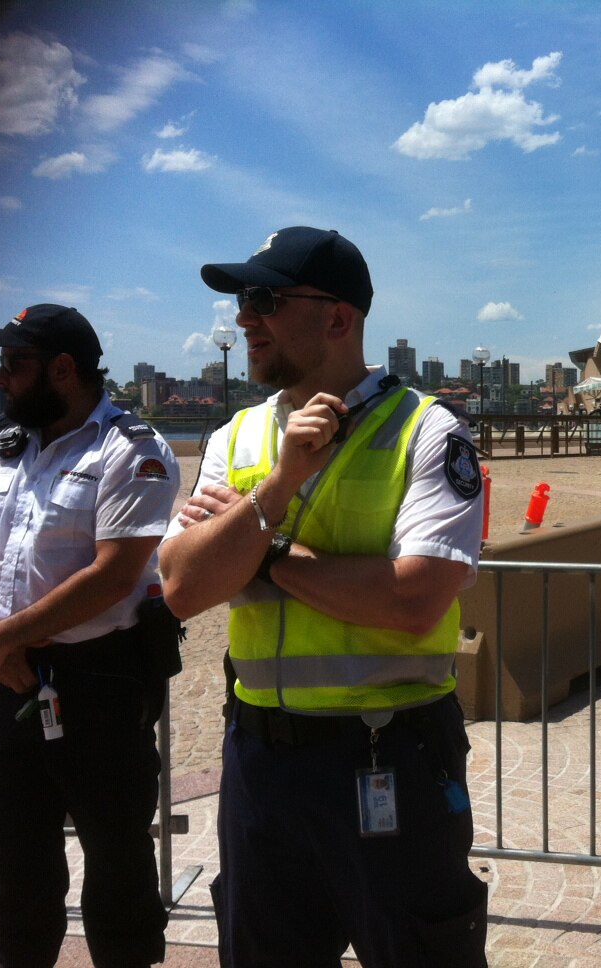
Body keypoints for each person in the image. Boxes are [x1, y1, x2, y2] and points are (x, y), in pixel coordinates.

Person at [158, 226, 488, 967]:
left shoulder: (429, 433)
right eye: (244, 301)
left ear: (338, 319)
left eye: (264, 299)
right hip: (260, 761)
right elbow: (181, 588)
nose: (244, 317)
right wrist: (277, 488)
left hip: (392, 756)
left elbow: (415, 601)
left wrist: (258, 556)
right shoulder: (236, 438)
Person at [0, 304, 181, 968]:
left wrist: (2, 637)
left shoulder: (131, 448)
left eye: (13, 365)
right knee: (10, 863)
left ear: (62, 369)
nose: (0, 378)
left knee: (118, 868)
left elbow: (114, 575)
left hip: (101, 684)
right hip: (5, 685)